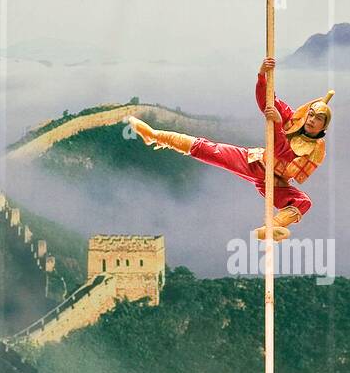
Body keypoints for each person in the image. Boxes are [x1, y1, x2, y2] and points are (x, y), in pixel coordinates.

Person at [125, 57, 333, 239]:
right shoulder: (293, 118)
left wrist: (277, 126)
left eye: (319, 119)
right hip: (255, 161)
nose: (312, 120)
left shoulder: (316, 150)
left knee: (303, 202)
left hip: (276, 180)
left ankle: (273, 228)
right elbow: (268, 102)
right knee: (208, 149)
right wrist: (262, 75)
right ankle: (154, 136)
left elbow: (288, 162)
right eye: (312, 114)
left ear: (324, 126)